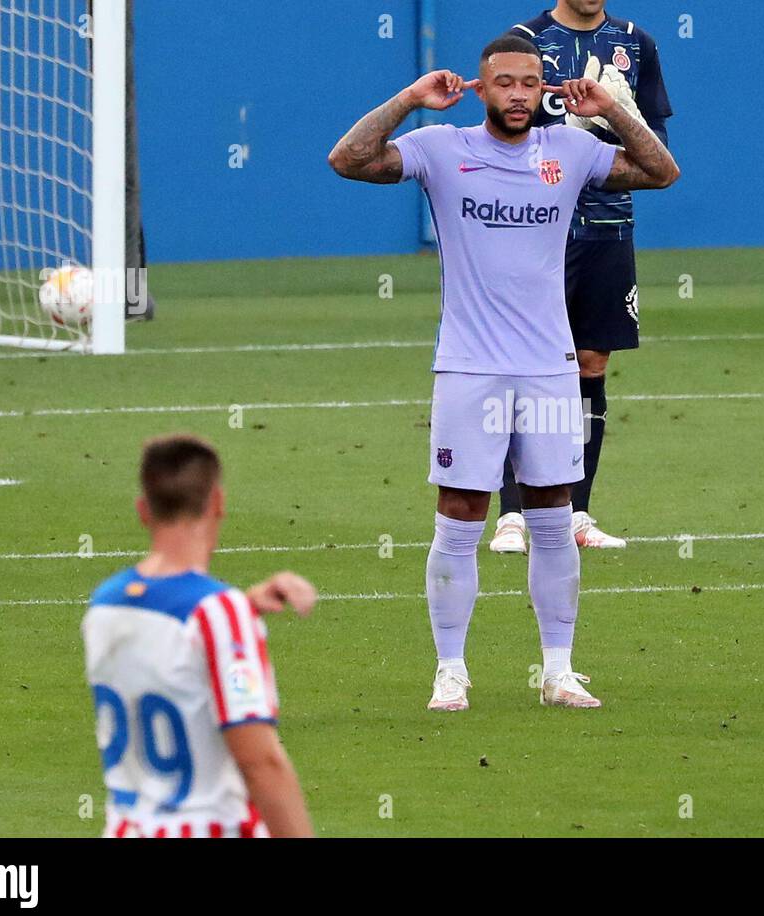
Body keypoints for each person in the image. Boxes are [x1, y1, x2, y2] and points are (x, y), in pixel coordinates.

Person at [328, 35, 678, 711]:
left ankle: (558, 671)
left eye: (529, 82)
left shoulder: (570, 152)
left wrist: (609, 107)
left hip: (549, 368)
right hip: (469, 368)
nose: (518, 93)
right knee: (460, 512)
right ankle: (451, 670)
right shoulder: (442, 148)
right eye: (505, 83)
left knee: (553, 512)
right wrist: (409, 99)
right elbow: (347, 159)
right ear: (481, 89)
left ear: (543, 88)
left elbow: (661, 172)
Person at [490, 0, 675, 553]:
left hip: (608, 231)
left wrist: (616, 114)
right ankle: (512, 514)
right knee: (522, 362)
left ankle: (576, 511)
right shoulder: (523, 42)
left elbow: (658, 154)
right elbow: (500, 135)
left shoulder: (637, 43)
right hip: (534, 230)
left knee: (591, 362)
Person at [82, 435, 317, 837]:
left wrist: (240, 607)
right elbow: (261, 764)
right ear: (218, 503)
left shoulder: (104, 605)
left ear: (143, 511)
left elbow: (165, 650)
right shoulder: (218, 615)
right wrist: (234, 613)